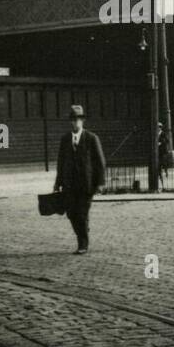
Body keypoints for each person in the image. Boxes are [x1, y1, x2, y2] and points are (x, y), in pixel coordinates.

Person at [53, 105, 106, 254]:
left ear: (83, 121)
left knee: (81, 213)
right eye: (73, 119)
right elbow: (61, 162)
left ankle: (82, 244)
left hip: (86, 185)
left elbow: (100, 162)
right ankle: (83, 230)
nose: (76, 122)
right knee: (71, 213)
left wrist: (100, 183)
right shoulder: (65, 140)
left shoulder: (91, 138)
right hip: (69, 185)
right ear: (70, 121)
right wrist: (58, 182)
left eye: (79, 119)